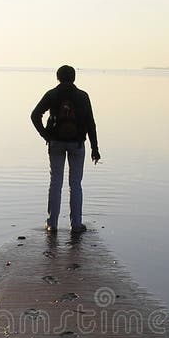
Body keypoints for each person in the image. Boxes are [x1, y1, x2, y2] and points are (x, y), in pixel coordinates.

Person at [31, 65, 100, 235]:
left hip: (56, 143)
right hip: (77, 144)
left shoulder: (51, 94)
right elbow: (91, 123)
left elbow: (35, 115)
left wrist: (46, 135)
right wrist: (95, 148)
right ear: (74, 78)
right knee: (75, 184)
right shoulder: (83, 96)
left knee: (55, 183)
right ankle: (76, 224)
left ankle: (52, 224)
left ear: (58, 77)